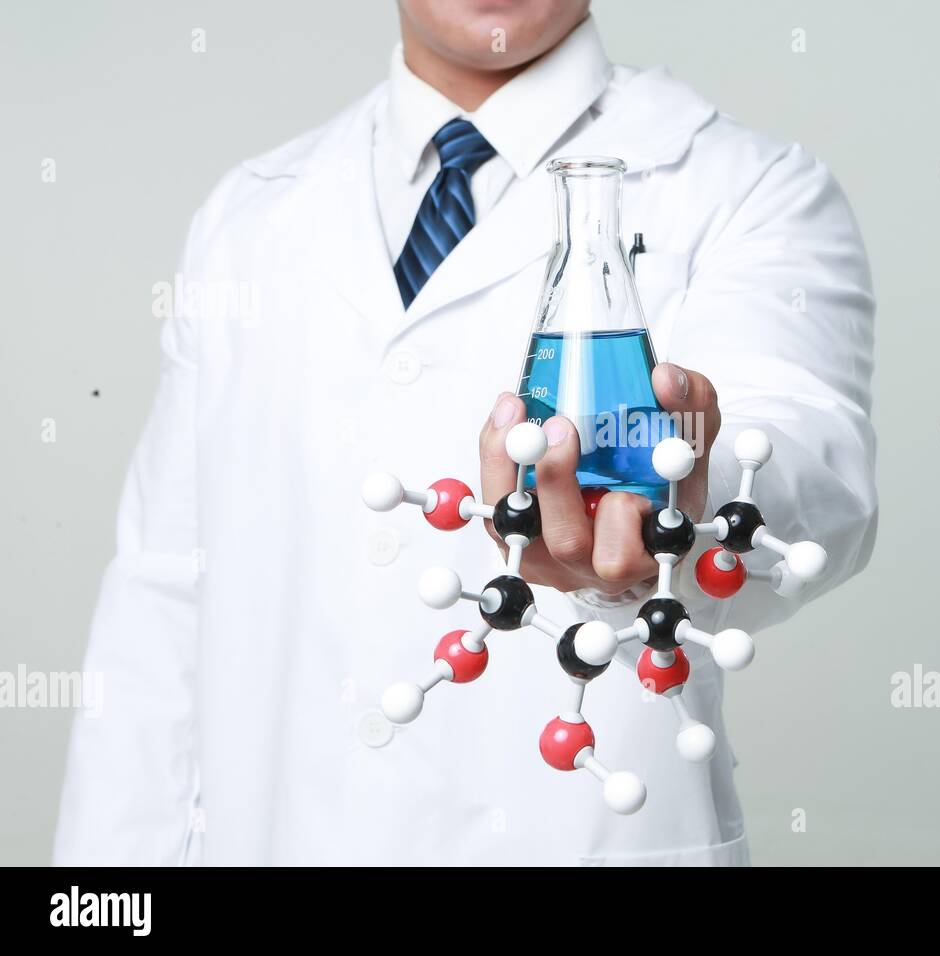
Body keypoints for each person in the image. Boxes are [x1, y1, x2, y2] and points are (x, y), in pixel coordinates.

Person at [53, 0, 877, 866]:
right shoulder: (249, 215)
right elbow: (162, 592)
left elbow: (808, 455)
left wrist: (693, 498)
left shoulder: (748, 186)